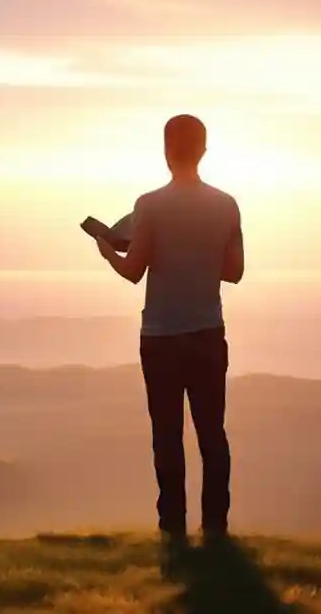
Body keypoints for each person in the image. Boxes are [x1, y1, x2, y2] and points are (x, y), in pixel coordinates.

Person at [94, 113, 244, 540]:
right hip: (208, 333)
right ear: (203, 150)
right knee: (212, 434)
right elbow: (234, 270)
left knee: (167, 436)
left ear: (165, 151)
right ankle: (216, 528)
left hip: (161, 336)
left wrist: (108, 249)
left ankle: (172, 530)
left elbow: (132, 270)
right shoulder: (226, 204)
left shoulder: (149, 205)